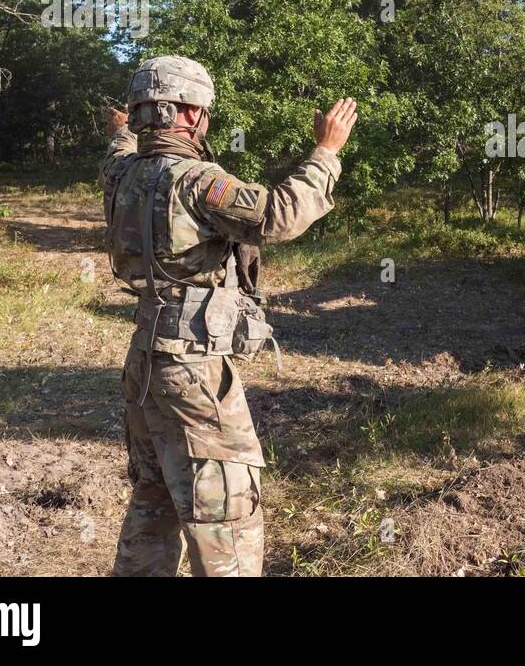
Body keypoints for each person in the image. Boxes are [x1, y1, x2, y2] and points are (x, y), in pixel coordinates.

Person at [99, 55, 357, 576]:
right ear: (191, 116)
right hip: (192, 369)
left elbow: (118, 147)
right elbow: (277, 215)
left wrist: (124, 129)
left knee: (155, 500)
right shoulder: (197, 181)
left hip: (145, 362)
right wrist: (326, 152)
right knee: (226, 514)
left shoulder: (121, 174)